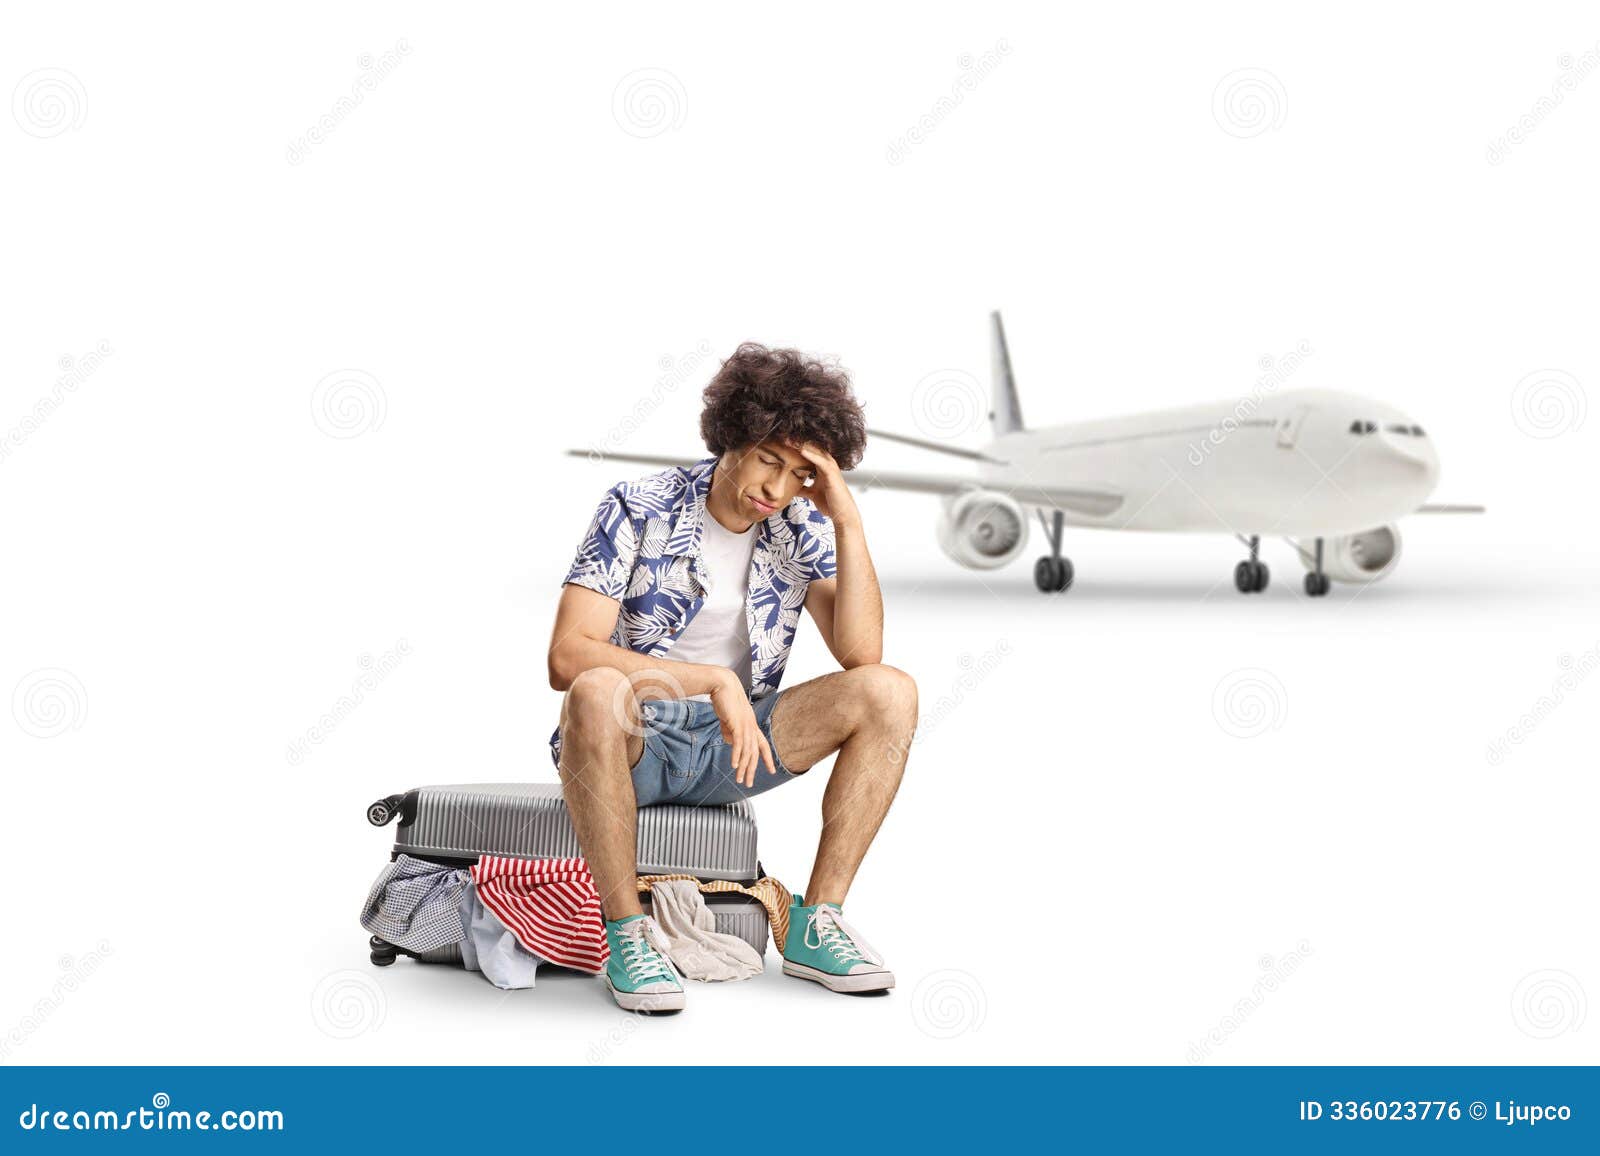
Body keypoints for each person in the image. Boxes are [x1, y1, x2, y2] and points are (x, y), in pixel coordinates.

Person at [547, 342, 918, 1011]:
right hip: (635, 733)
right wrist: (714, 683)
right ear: (734, 438)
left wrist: (848, 523)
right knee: (595, 689)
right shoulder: (638, 504)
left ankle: (817, 923)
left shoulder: (799, 526)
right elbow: (568, 656)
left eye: (801, 474)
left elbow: (862, 656)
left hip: (735, 747)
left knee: (891, 691)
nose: (777, 488)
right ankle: (628, 935)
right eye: (770, 460)